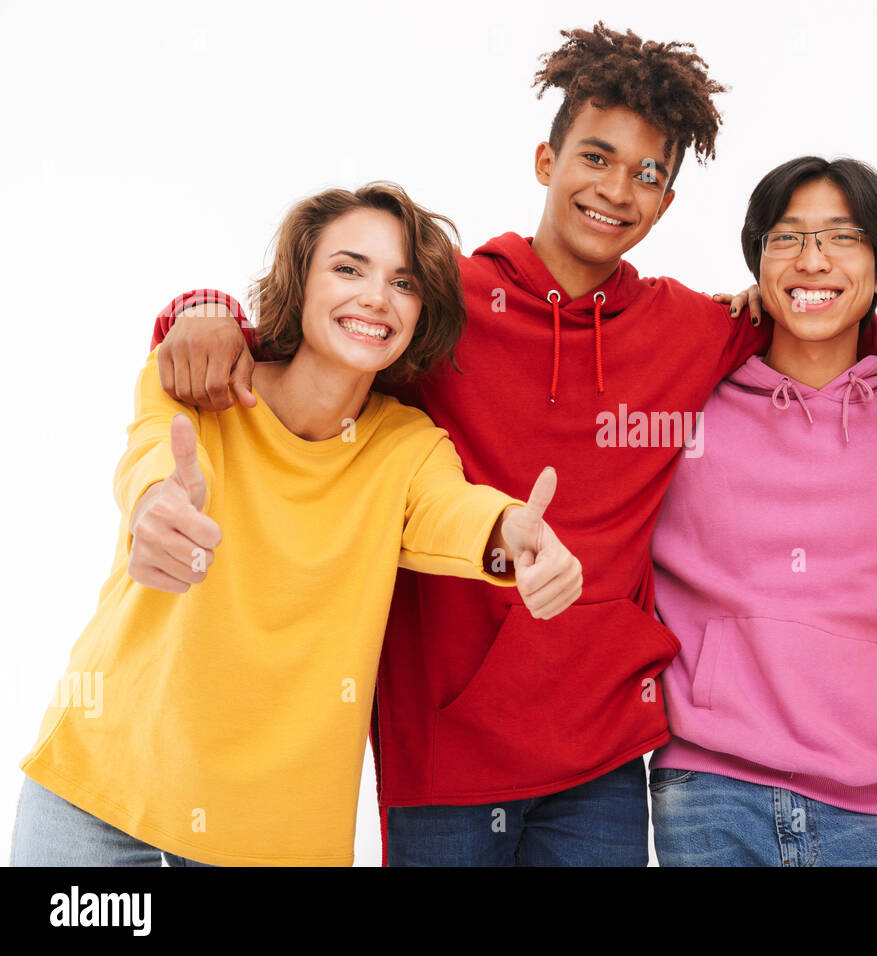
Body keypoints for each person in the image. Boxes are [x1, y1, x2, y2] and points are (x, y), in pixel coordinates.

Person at [143, 26, 877, 866]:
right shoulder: (445, 296)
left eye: (648, 174)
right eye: (595, 157)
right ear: (544, 163)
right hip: (442, 754)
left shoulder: (690, 327)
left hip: (602, 759)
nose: (617, 189)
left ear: (667, 203)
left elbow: (844, 324)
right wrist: (200, 309)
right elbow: (315, 333)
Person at [10, 182, 581, 866]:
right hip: (102, 785)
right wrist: (157, 505)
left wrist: (512, 536)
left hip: (270, 836)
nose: (375, 296)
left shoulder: (406, 446)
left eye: (402, 281)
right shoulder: (197, 387)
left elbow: (449, 512)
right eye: (348, 268)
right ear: (299, 283)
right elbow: (150, 459)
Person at [648, 157, 877, 866]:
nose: (811, 260)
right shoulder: (689, 408)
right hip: (708, 789)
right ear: (758, 266)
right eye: (785, 239)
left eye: (841, 238)